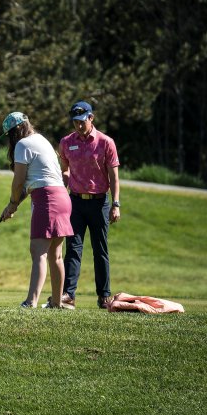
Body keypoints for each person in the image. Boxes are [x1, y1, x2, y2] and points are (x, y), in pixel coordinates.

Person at [0, 112, 74, 309]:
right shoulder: (41, 140)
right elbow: (33, 182)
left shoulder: (23, 145)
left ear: (15, 131)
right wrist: (13, 205)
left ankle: (31, 302)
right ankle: (56, 303)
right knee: (55, 255)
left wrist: (12, 202)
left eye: (9, 135)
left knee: (38, 252)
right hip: (62, 197)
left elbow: (19, 181)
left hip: (47, 199)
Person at [57, 100, 121, 309]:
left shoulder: (105, 142)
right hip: (75, 202)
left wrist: (116, 204)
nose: (78, 125)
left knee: (100, 250)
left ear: (91, 118)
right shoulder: (66, 142)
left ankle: (104, 296)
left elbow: (114, 177)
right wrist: (61, 189)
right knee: (73, 249)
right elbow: (65, 170)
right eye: (75, 121)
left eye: (82, 121)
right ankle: (68, 295)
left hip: (99, 202)